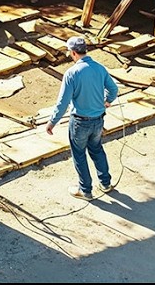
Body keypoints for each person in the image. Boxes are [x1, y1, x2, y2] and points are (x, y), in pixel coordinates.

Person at [45, 35, 119, 200]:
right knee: (97, 149)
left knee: (79, 154)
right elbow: (114, 89)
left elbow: (63, 103)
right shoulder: (99, 68)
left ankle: (85, 190)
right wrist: (107, 101)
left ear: (73, 53)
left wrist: (52, 122)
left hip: (79, 122)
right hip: (98, 119)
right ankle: (105, 183)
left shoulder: (71, 73)